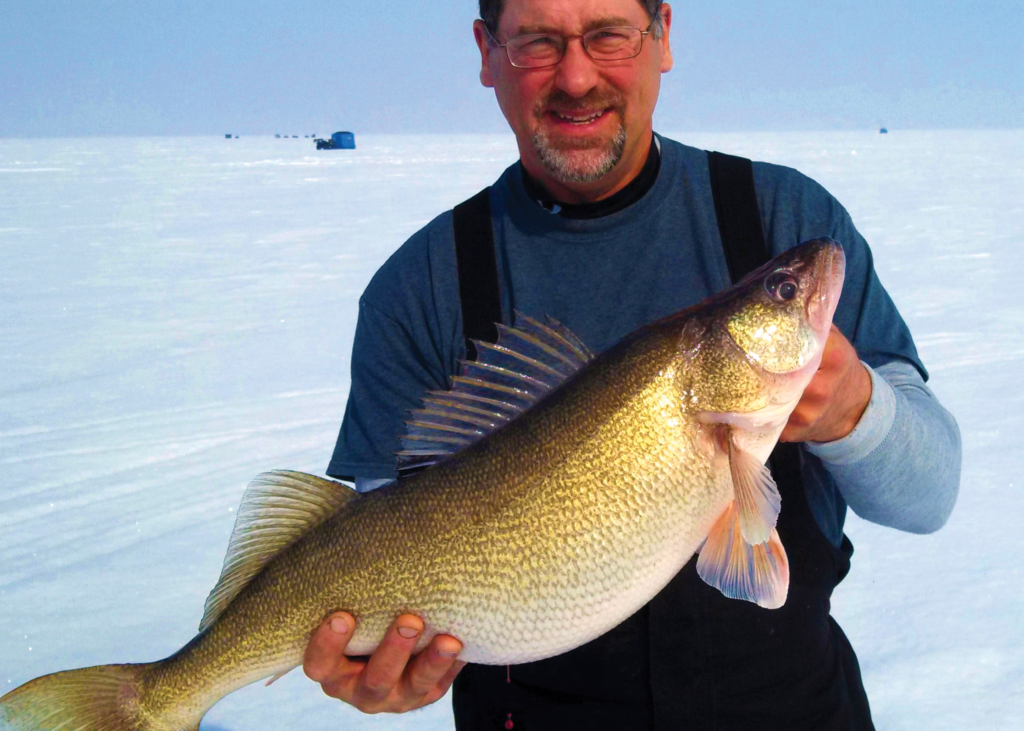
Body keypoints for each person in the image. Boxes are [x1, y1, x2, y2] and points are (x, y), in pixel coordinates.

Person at [304, 0, 961, 727]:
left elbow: (931, 495)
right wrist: (376, 666)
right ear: (487, 53)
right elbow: (372, 534)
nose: (577, 76)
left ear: (664, 36)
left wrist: (856, 412)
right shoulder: (418, 288)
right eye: (538, 43)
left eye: (608, 34)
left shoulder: (783, 214)